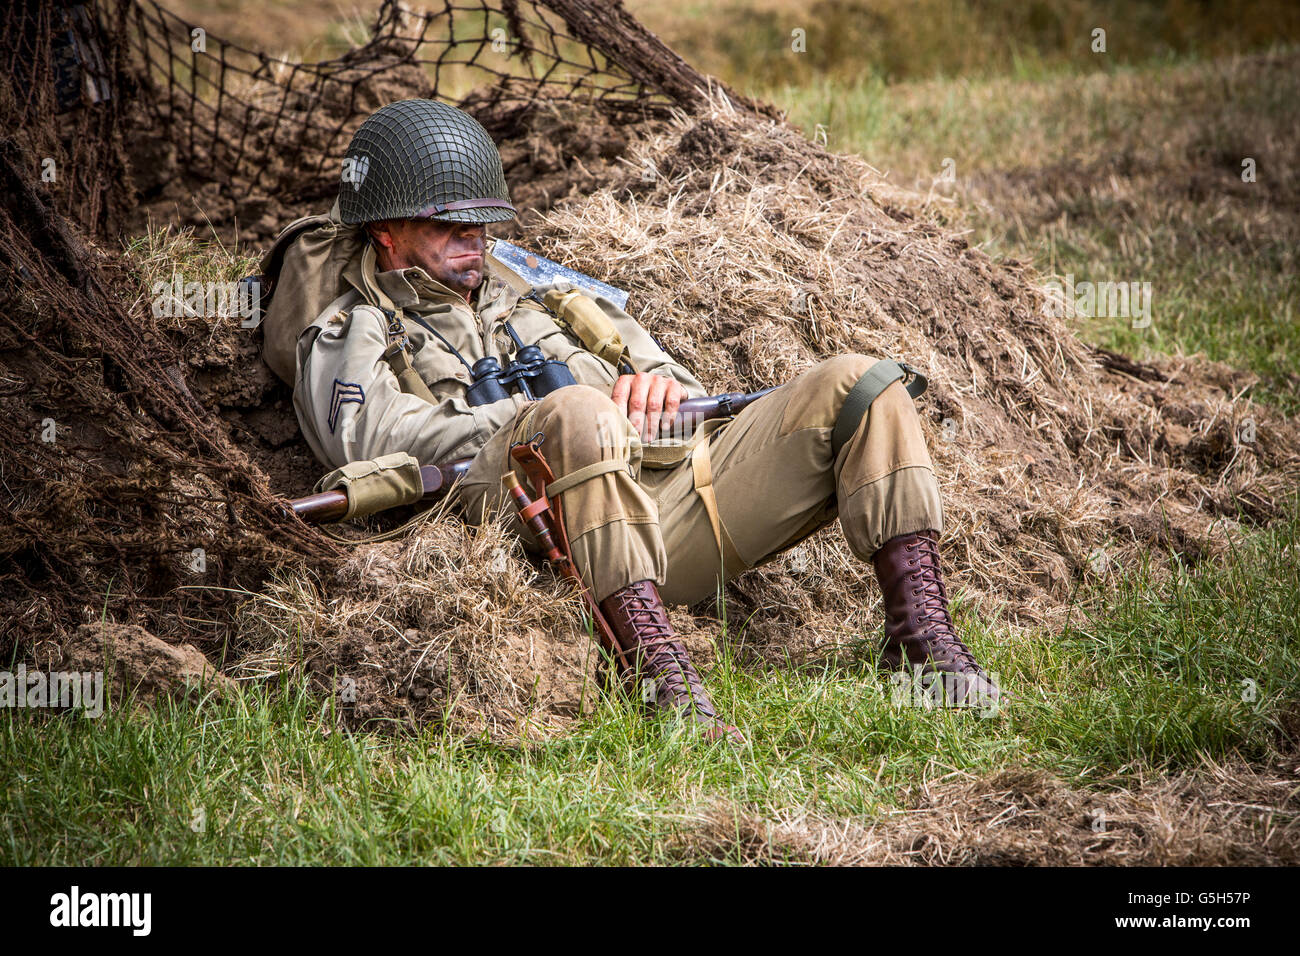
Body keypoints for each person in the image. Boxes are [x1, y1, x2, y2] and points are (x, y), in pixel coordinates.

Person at [281, 98, 1001, 741]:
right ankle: (657, 674)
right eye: (448, 226)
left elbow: (675, 380)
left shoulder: (542, 293)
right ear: (386, 233)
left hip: (668, 509)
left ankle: (921, 639)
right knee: (576, 408)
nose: (474, 241)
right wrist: (534, 416)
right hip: (529, 531)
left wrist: (653, 394)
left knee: (860, 383)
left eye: (484, 223)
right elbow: (365, 440)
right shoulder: (360, 324)